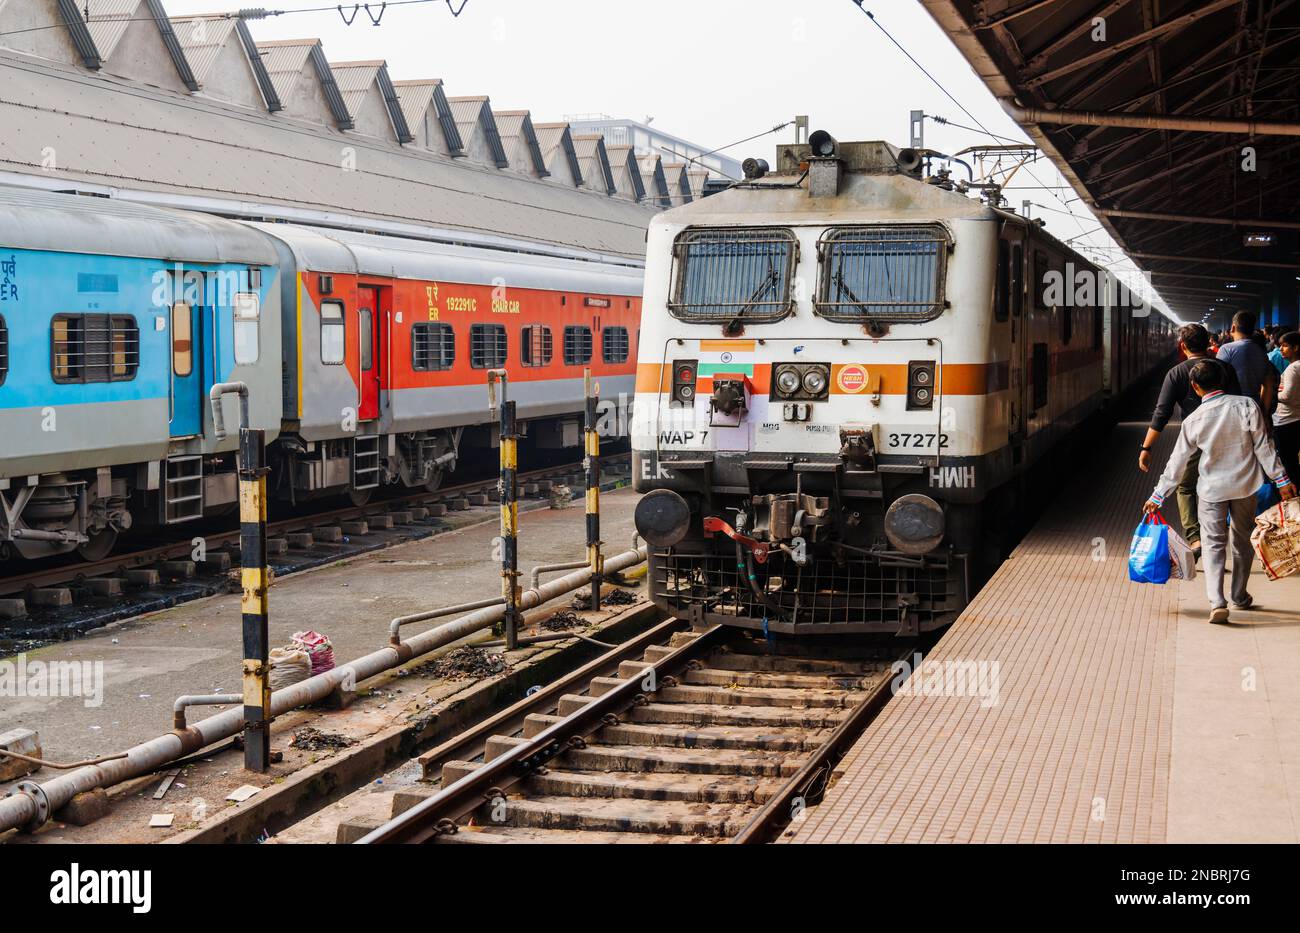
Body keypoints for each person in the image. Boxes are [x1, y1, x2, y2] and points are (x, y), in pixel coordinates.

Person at [1145, 361, 1296, 623]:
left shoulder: (1193, 420)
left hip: (1211, 490)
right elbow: (1264, 447)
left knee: (1214, 543)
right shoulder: (1247, 406)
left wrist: (1158, 496)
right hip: (1245, 486)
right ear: (1224, 380)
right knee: (1241, 540)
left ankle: (1217, 602)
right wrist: (1282, 480)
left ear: (1195, 387)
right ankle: (1239, 595)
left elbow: (1177, 462)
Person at [1139, 323, 1241, 554]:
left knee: (1185, 487)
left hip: (1194, 438)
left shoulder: (1176, 373)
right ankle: (1220, 534)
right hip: (1228, 438)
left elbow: (1161, 414)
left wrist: (1146, 447)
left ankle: (1195, 538)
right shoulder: (1225, 368)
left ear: (1182, 346)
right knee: (1224, 486)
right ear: (1208, 343)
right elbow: (1237, 401)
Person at [1217, 310, 1278, 417]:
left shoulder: (1226, 349)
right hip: (1253, 407)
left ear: (1233, 327)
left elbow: (1216, 382)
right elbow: (1268, 385)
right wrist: (1264, 413)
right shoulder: (1262, 352)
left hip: (1230, 408)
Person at [1274, 331, 1300, 482]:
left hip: (1286, 420)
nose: (1281, 349)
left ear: (1296, 347)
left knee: (1288, 461)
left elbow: (1287, 396)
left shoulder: (1292, 369)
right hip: (1296, 417)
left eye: (1285, 346)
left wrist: (1272, 395)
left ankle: (1293, 494)